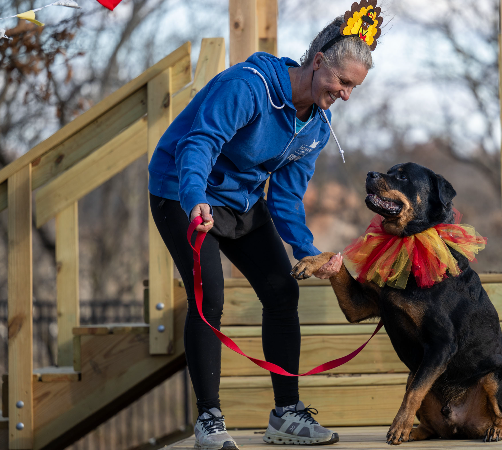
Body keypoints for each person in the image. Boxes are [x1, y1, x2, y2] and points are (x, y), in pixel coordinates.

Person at [147, 7, 380, 448]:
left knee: (282, 292)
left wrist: (307, 251)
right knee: (208, 297)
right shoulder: (248, 86)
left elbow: (286, 197)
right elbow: (200, 143)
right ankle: (209, 420)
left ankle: (286, 415)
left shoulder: (317, 125)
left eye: (354, 87)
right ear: (318, 62)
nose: (346, 95)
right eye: (342, 82)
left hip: (240, 200)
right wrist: (194, 197)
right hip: (182, 188)